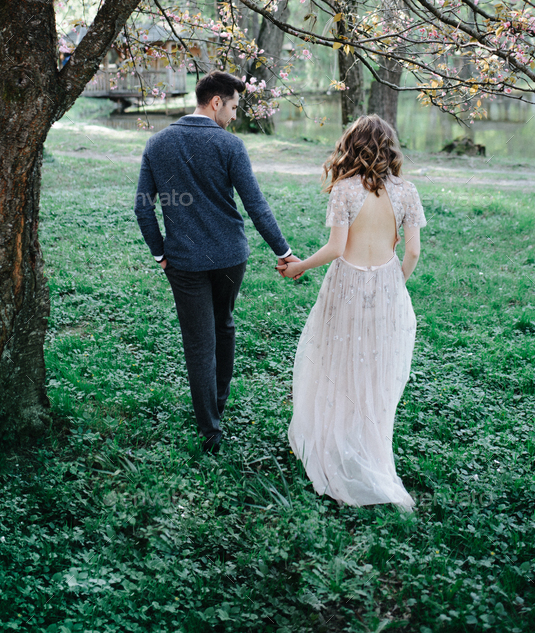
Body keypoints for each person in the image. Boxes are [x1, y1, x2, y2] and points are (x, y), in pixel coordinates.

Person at [134, 70, 298, 454]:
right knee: (223, 325)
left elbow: (143, 209)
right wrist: (283, 251)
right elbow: (255, 204)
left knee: (199, 343)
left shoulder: (156, 145)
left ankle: (210, 429)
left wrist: (161, 254)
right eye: (233, 107)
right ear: (215, 102)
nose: (234, 116)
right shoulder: (230, 146)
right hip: (229, 258)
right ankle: (218, 404)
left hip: (184, 263)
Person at [279, 115, 426, 509]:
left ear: (352, 146)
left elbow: (335, 250)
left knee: (336, 361)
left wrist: (297, 266)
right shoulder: (407, 192)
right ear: (390, 147)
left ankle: (337, 439)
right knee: (375, 368)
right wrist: (395, 282)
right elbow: (412, 252)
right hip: (386, 285)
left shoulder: (344, 191)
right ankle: (368, 442)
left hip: (345, 285)